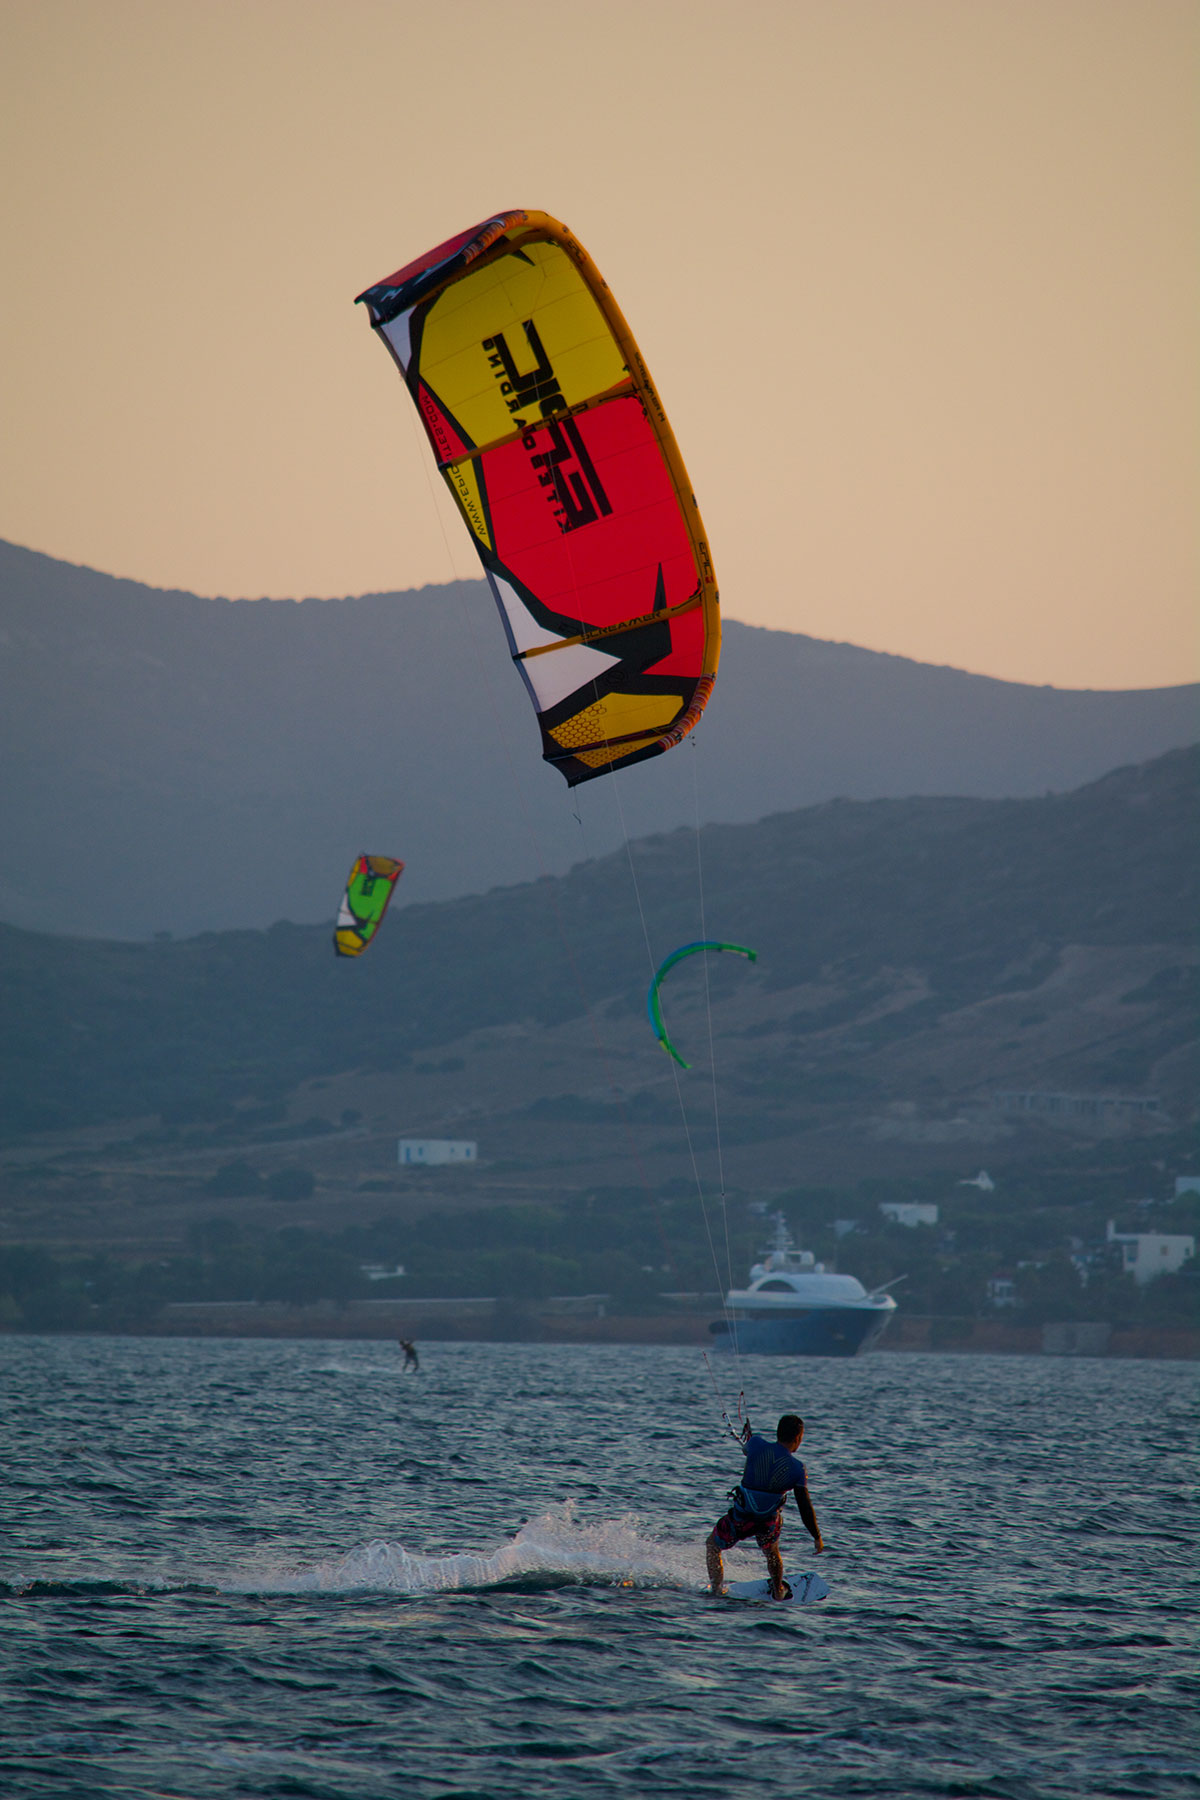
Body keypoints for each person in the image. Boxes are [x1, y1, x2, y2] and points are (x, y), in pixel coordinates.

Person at [706, 1413, 823, 1600]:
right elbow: (804, 1506)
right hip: (767, 1523)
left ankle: (716, 1590)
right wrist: (816, 1536)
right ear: (798, 1438)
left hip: (741, 1519)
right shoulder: (797, 1469)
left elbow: (747, 1449)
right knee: (772, 1552)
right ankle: (778, 1591)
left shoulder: (756, 1444)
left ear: (777, 1433)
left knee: (712, 1545)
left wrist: (752, 1443)